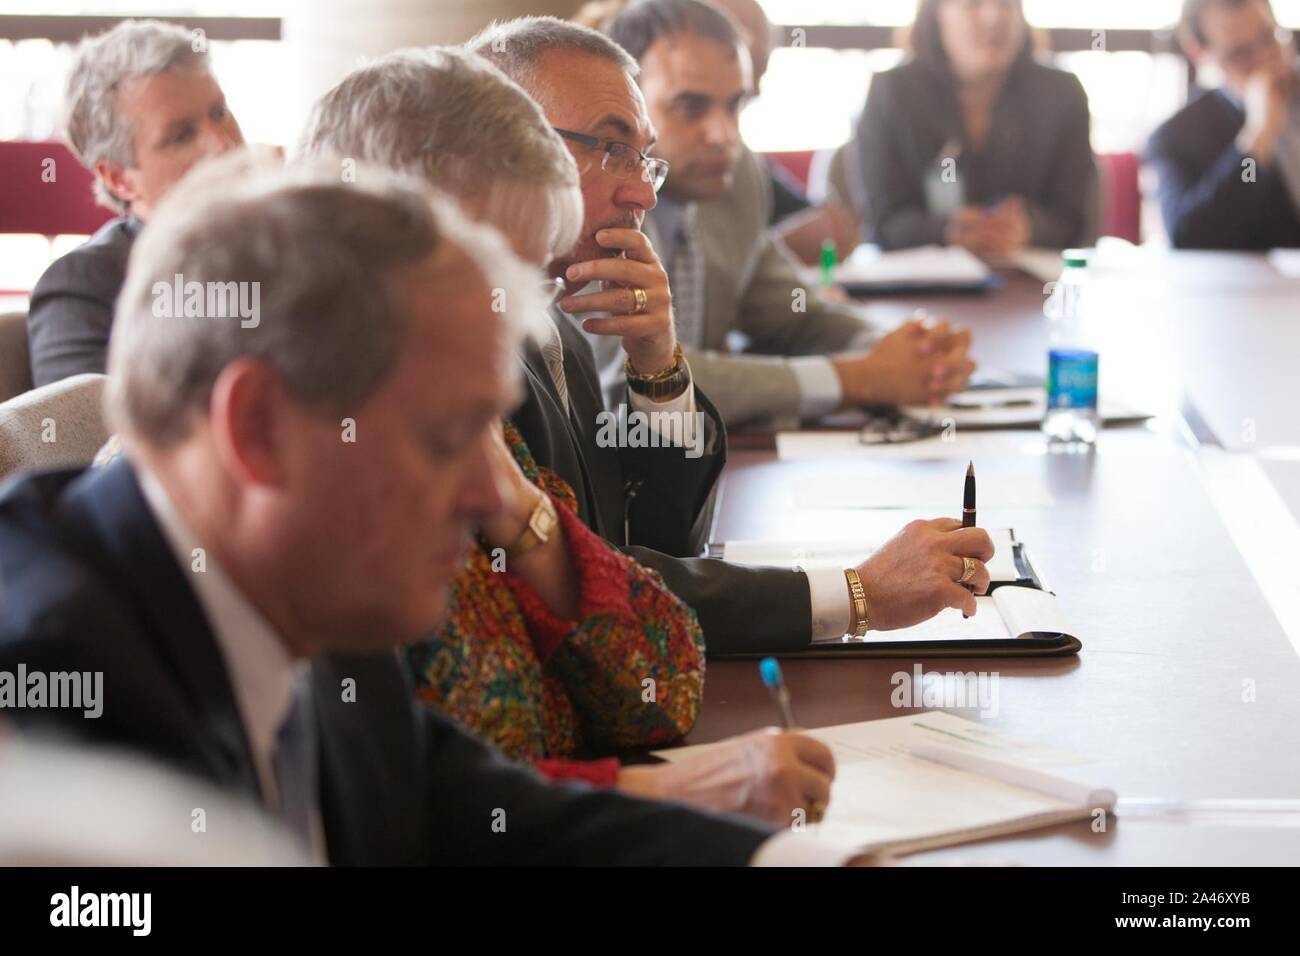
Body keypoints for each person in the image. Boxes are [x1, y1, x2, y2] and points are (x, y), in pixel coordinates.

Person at [0, 152, 848, 865]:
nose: (491, 496)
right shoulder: (57, 712)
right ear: (257, 429)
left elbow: (476, 814)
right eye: (446, 439)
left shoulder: (312, 590)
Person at [298, 48, 835, 823]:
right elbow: (402, 799)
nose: (642, 190)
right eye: (502, 284)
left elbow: (657, 677)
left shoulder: (482, 420)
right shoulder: (338, 467)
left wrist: (532, 518)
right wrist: (669, 791)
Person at [469, 16, 995, 657]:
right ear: (504, 145)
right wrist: (857, 593)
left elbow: (652, 546)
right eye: (611, 150)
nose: (642, 193)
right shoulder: (465, 352)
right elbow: (591, 594)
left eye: (642, 158)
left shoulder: (556, 321)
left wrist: (659, 368)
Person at [596, 0, 975, 431]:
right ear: (626, 107)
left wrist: (909, 350)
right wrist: (855, 380)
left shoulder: (736, 178)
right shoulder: (597, 205)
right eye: (690, 107)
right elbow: (634, 388)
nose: (724, 135)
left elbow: (797, 317)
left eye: (734, 106)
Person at [26, 19, 244, 387]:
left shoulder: (286, 245)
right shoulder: (84, 287)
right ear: (119, 178)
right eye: (181, 136)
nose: (222, 144)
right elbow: (81, 424)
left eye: (219, 113)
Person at [852, 0, 1096, 256]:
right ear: (936, 13)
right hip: (922, 278)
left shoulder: (1062, 94)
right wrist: (944, 231)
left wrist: (1028, 228)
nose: (994, 16)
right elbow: (882, 223)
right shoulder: (891, 93)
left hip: (1031, 275)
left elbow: (1075, 222)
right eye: (973, 4)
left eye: (1006, 4)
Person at [709, 0, 862, 265]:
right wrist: (784, 245)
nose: (757, 88)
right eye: (752, 65)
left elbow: (800, 210)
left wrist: (823, 226)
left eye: (761, 70)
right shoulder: (663, 169)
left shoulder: (743, 160)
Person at [1146, 0, 1300, 249]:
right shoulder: (1176, 137)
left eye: (1268, 37)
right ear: (1200, 55)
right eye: (1240, 53)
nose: (1265, 58)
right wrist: (1258, 136)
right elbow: (1189, 237)